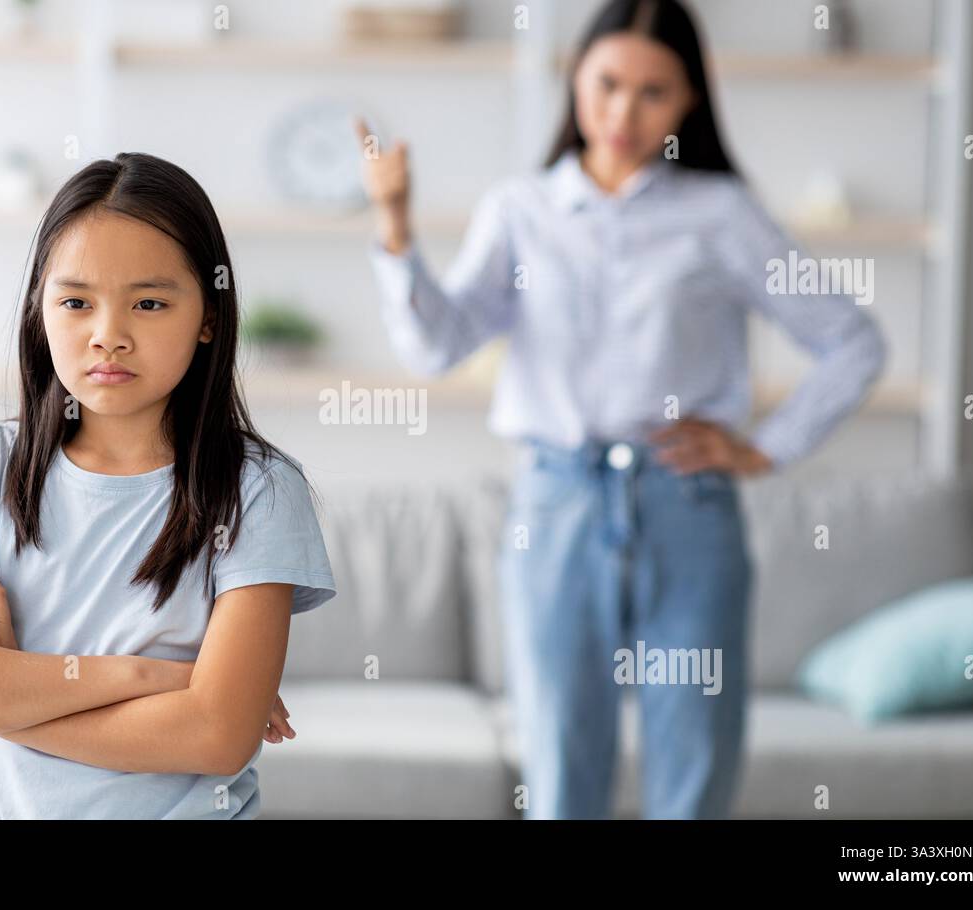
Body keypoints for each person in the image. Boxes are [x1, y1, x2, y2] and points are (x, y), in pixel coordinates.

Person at [357, 0, 886, 819]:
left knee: (694, 756)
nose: (622, 114)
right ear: (576, 79)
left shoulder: (722, 214)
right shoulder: (521, 211)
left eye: (654, 93)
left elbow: (853, 341)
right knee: (562, 759)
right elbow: (437, 346)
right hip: (556, 505)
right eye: (606, 84)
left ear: (689, 102)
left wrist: (765, 448)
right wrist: (394, 226)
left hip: (687, 505)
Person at [0, 152, 337, 819]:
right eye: (76, 302)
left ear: (209, 317)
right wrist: (153, 681)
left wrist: (3, 690)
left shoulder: (260, 491)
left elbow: (216, 736)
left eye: (150, 303)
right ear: (40, 310)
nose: (109, 337)